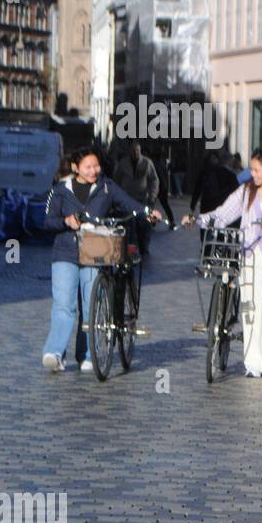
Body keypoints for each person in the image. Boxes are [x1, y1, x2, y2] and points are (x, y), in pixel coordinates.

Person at [183, 149, 262, 377]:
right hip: (250, 255)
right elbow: (222, 214)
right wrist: (198, 219)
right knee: (251, 308)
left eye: (257, 170)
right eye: (251, 168)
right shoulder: (245, 192)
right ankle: (254, 362)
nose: (253, 173)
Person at [41, 148, 162, 372]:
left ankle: (87, 354)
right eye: (88, 167)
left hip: (95, 252)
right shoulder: (60, 190)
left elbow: (128, 203)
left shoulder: (107, 187)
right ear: (76, 167)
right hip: (65, 253)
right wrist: (66, 221)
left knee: (91, 306)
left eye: (96, 166)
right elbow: (47, 221)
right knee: (64, 306)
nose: (94, 171)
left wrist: (147, 211)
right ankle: (55, 352)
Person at [113, 142, 160, 256]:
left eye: (137, 150)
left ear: (140, 150)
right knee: (129, 226)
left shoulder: (147, 163)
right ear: (129, 151)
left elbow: (154, 180)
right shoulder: (123, 163)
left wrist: (152, 195)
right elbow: (116, 179)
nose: (135, 153)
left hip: (143, 199)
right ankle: (132, 250)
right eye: (133, 150)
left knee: (145, 225)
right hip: (127, 199)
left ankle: (144, 248)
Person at [190, 151, 241, 217]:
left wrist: (193, 203)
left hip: (207, 204)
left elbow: (198, 188)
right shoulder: (230, 175)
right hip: (221, 205)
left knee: (206, 223)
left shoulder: (206, 172)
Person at [154, 149, 177, 229]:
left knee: (152, 205)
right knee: (165, 205)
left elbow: (160, 176)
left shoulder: (157, 164)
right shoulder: (163, 164)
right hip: (162, 187)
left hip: (159, 187)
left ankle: (152, 222)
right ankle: (172, 221)